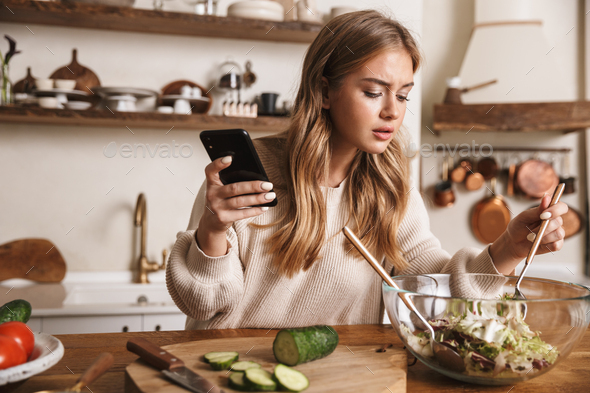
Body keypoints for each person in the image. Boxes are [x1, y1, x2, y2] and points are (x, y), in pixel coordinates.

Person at [166, 10, 568, 330]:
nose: (392, 111)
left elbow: (436, 298)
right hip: (226, 374)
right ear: (324, 91)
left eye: (404, 95)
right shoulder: (246, 175)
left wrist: (509, 248)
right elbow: (205, 305)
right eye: (374, 92)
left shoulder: (390, 186)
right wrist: (213, 231)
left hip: (342, 377)